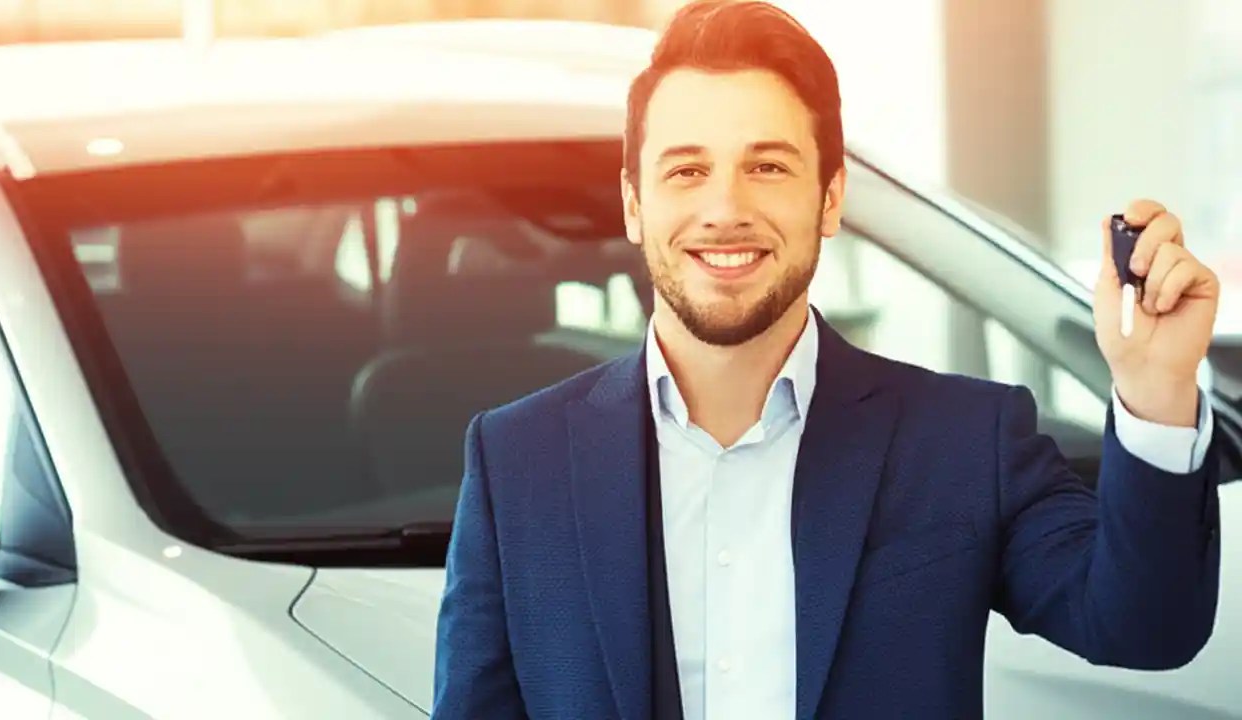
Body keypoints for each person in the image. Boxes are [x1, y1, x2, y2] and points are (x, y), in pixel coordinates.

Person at [431, 1, 1223, 718]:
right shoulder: (516, 466)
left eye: (767, 167)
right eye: (687, 170)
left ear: (831, 197)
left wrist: (1156, 391)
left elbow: (1144, 628)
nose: (725, 210)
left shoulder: (964, 441)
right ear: (636, 205)